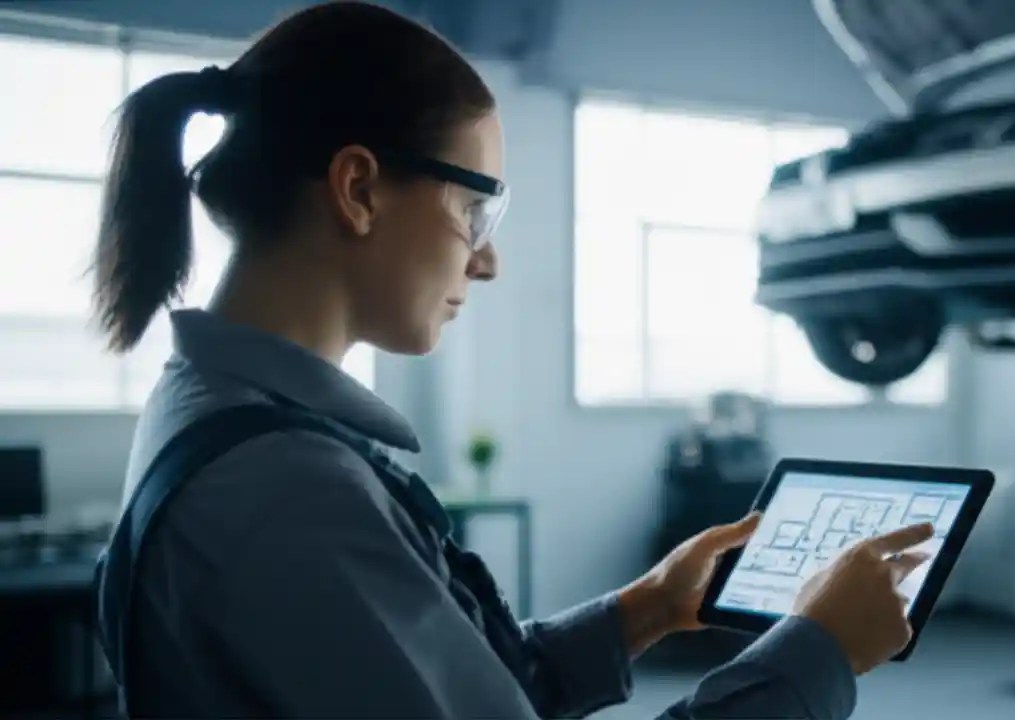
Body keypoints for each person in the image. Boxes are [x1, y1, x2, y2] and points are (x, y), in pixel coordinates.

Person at [90, 2, 934, 717]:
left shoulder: (217, 410)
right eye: (473, 212)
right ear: (359, 190)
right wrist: (815, 655)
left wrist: (641, 611)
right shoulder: (288, 488)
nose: (485, 263)